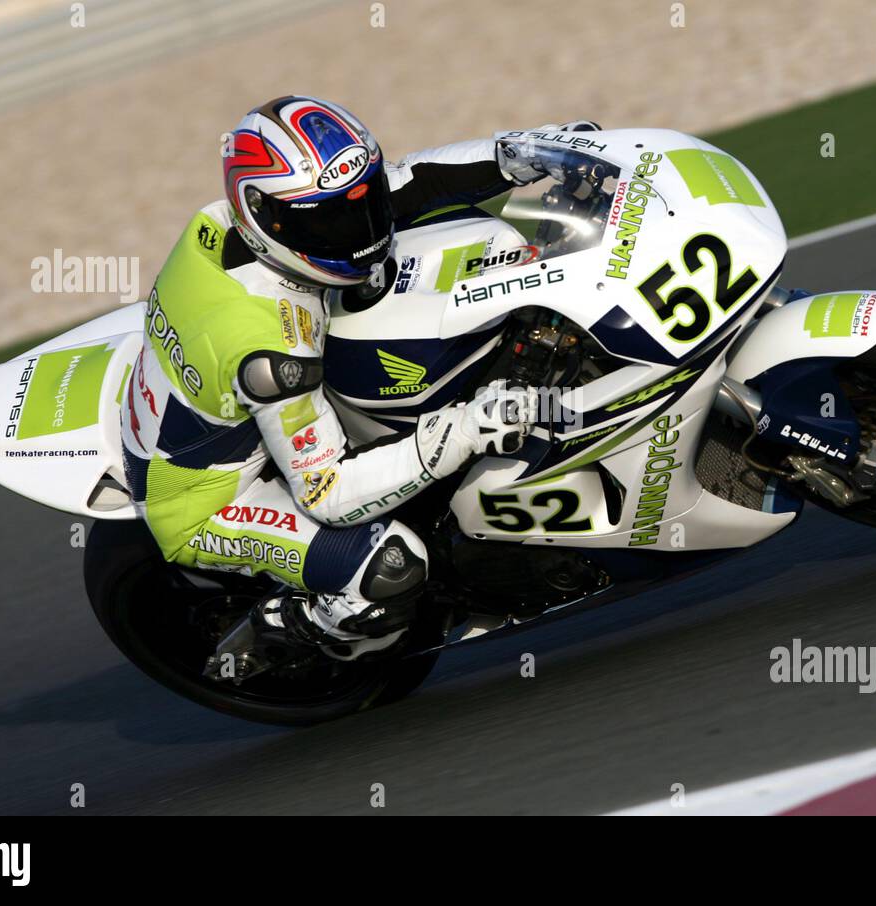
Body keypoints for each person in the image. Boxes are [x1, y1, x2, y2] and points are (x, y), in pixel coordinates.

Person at [121, 94, 596, 677]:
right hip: (208, 495)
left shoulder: (256, 217)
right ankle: (297, 627)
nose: (362, 231)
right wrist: (470, 428)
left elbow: (410, 183)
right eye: (331, 220)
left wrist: (520, 154)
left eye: (361, 204)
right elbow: (328, 494)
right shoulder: (270, 347)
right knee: (392, 568)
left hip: (207, 386)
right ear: (267, 218)